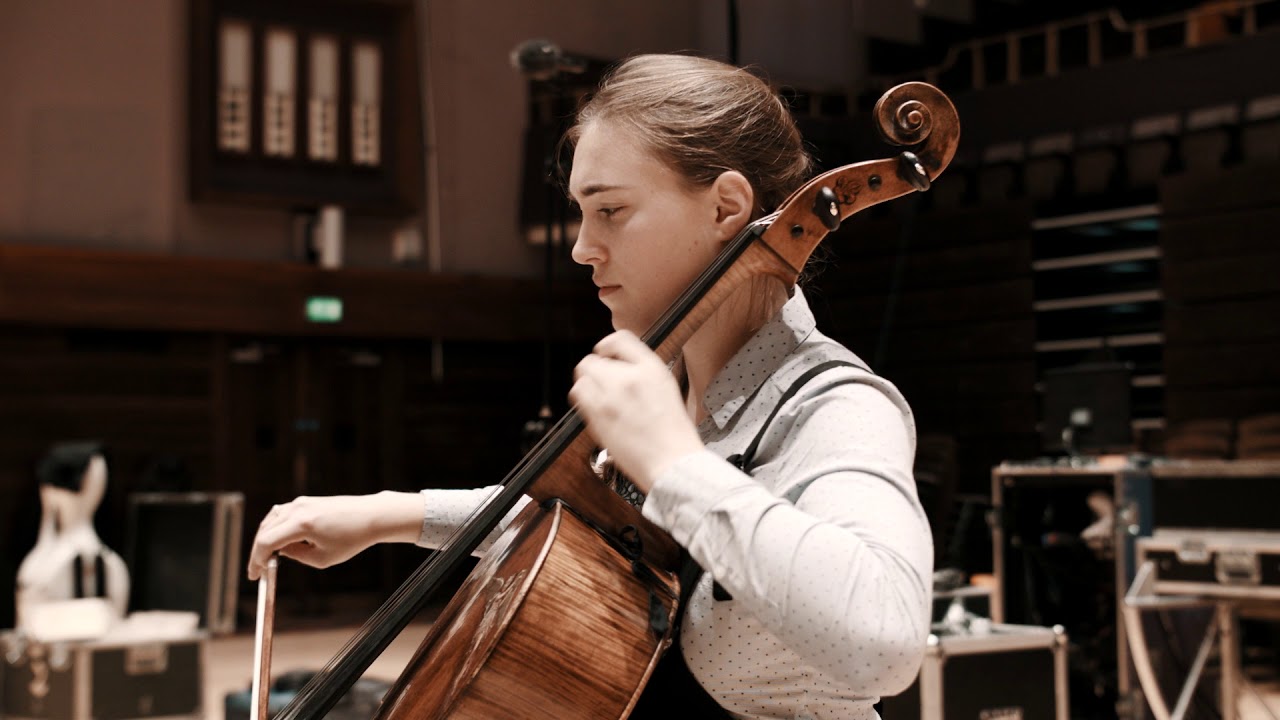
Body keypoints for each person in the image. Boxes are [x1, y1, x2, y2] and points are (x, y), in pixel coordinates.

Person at [248, 53, 932, 719]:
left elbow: (886, 644)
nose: (581, 246)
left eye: (610, 211)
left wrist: (673, 465)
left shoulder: (831, 405)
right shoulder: (663, 381)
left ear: (726, 207)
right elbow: (583, 532)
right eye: (581, 211)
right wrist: (386, 516)